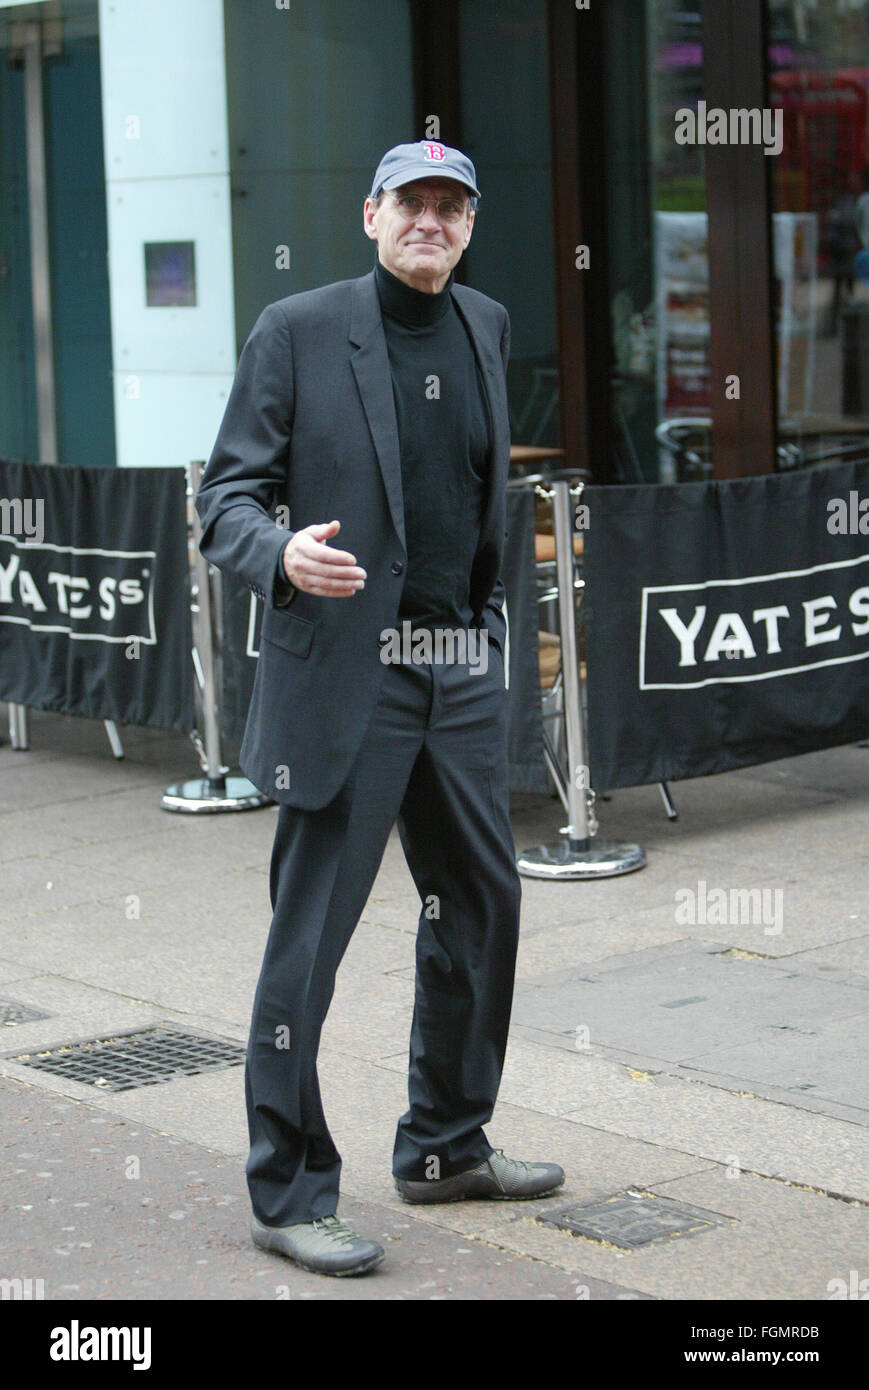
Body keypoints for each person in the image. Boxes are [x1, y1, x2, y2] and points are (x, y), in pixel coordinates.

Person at [195, 140, 564, 1277]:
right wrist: (280, 555)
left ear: (467, 225)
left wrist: (487, 634)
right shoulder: (296, 329)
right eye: (412, 203)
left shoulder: (486, 325)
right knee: (309, 943)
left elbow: (473, 493)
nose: (431, 222)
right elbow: (224, 499)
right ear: (370, 215)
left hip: (453, 664)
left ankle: (446, 1144)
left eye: (451, 207)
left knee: (480, 908)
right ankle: (288, 1188)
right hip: (344, 679)